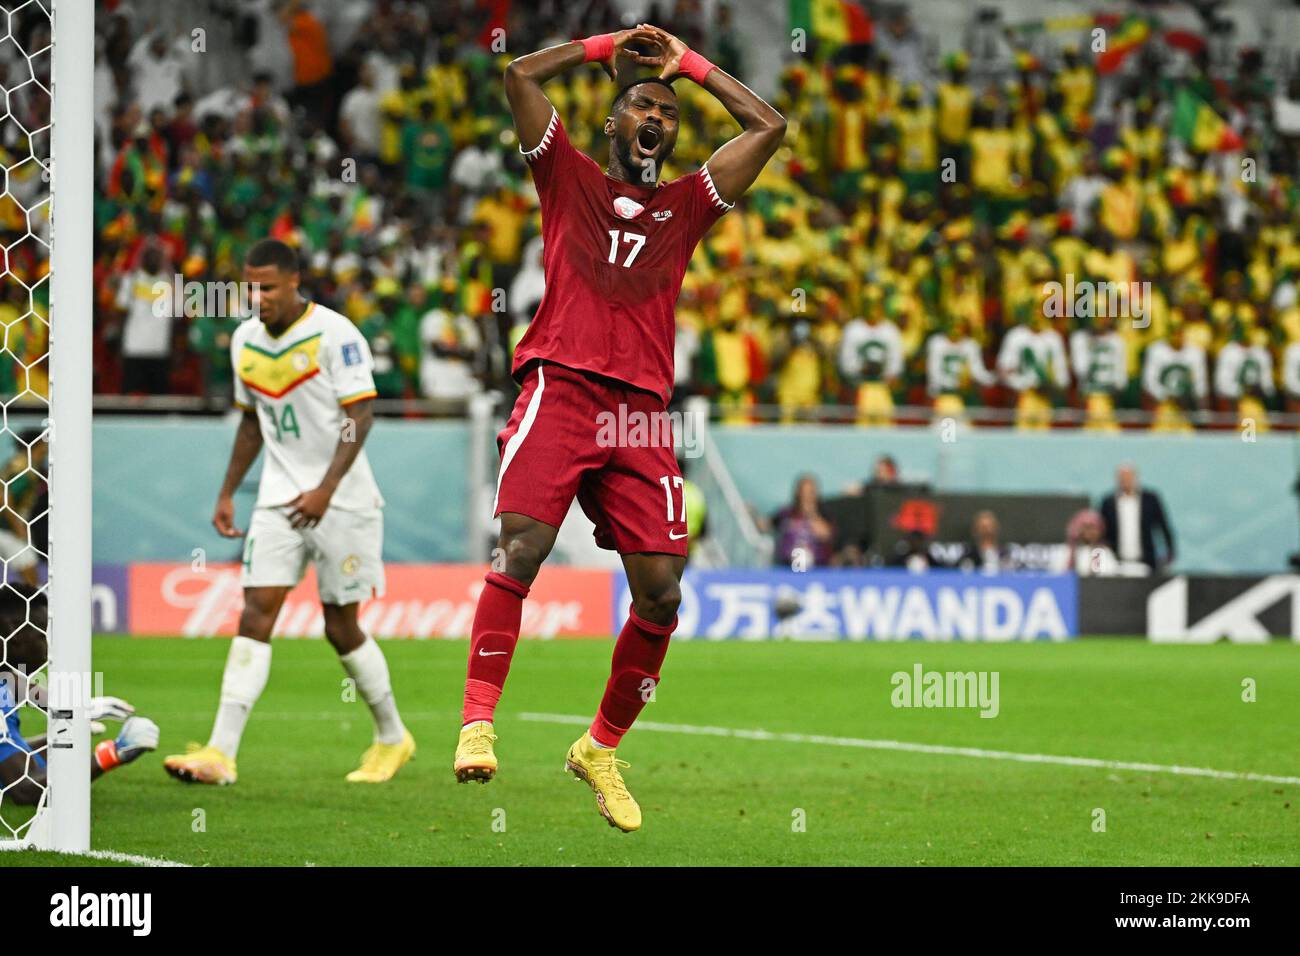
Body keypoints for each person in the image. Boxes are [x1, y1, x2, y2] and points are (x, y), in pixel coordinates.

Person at [452, 24, 785, 832]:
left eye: (667, 112)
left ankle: (599, 747)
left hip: (639, 412)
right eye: (641, 105)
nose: (656, 118)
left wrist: (691, 69)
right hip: (560, 388)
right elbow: (520, 74)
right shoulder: (566, 176)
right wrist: (606, 50)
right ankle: (477, 721)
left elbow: (769, 127)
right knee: (522, 547)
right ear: (610, 123)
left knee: (664, 594)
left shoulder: (688, 204)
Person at [162, 239, 413, 786]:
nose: (258, 297)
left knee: (340, 625)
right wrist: (229, 491)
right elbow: (252, 423)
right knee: (256, 610)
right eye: (250, 287)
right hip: (278, 499)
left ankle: (392, 737)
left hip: (343, 500)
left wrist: (325, 487)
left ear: (296, 281)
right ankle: (220, 753)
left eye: (268, 287)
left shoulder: (336, 333)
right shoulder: (245, 342)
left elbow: (360, 416)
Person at [0, 588, 159, 805]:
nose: (50, 646)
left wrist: (78, 716)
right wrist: (112, 754)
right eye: (43, 635)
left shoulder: (6, 677)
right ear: (15, 635)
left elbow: (37, 700)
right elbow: (24, 789)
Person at [1098, 463, 1175, 574]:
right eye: (1122, 478)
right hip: (1116, 564)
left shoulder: (1150, 499)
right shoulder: (1108, 502)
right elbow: (1101, 535)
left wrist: (1169, 553)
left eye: (1129, 477)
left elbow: (1163, 526)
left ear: (1135, 478)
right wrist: (1098, 566)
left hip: (1146, 562)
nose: (1126, 481)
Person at [772, 474, 835, 568]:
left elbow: (826, 535)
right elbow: (767, 525)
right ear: (798, 492)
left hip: (818, 567)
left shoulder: (824, 513)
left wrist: (811, 514)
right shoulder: (787, 513)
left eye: (810, 492)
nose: (807, 496)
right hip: (787, 566)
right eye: (804, 492)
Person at [1062, 509, 1118, 576]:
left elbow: (1111, 576)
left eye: (1094, 528)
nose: (1091, 532)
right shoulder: (1067, 551)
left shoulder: (1104, 552)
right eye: (1087, 528)